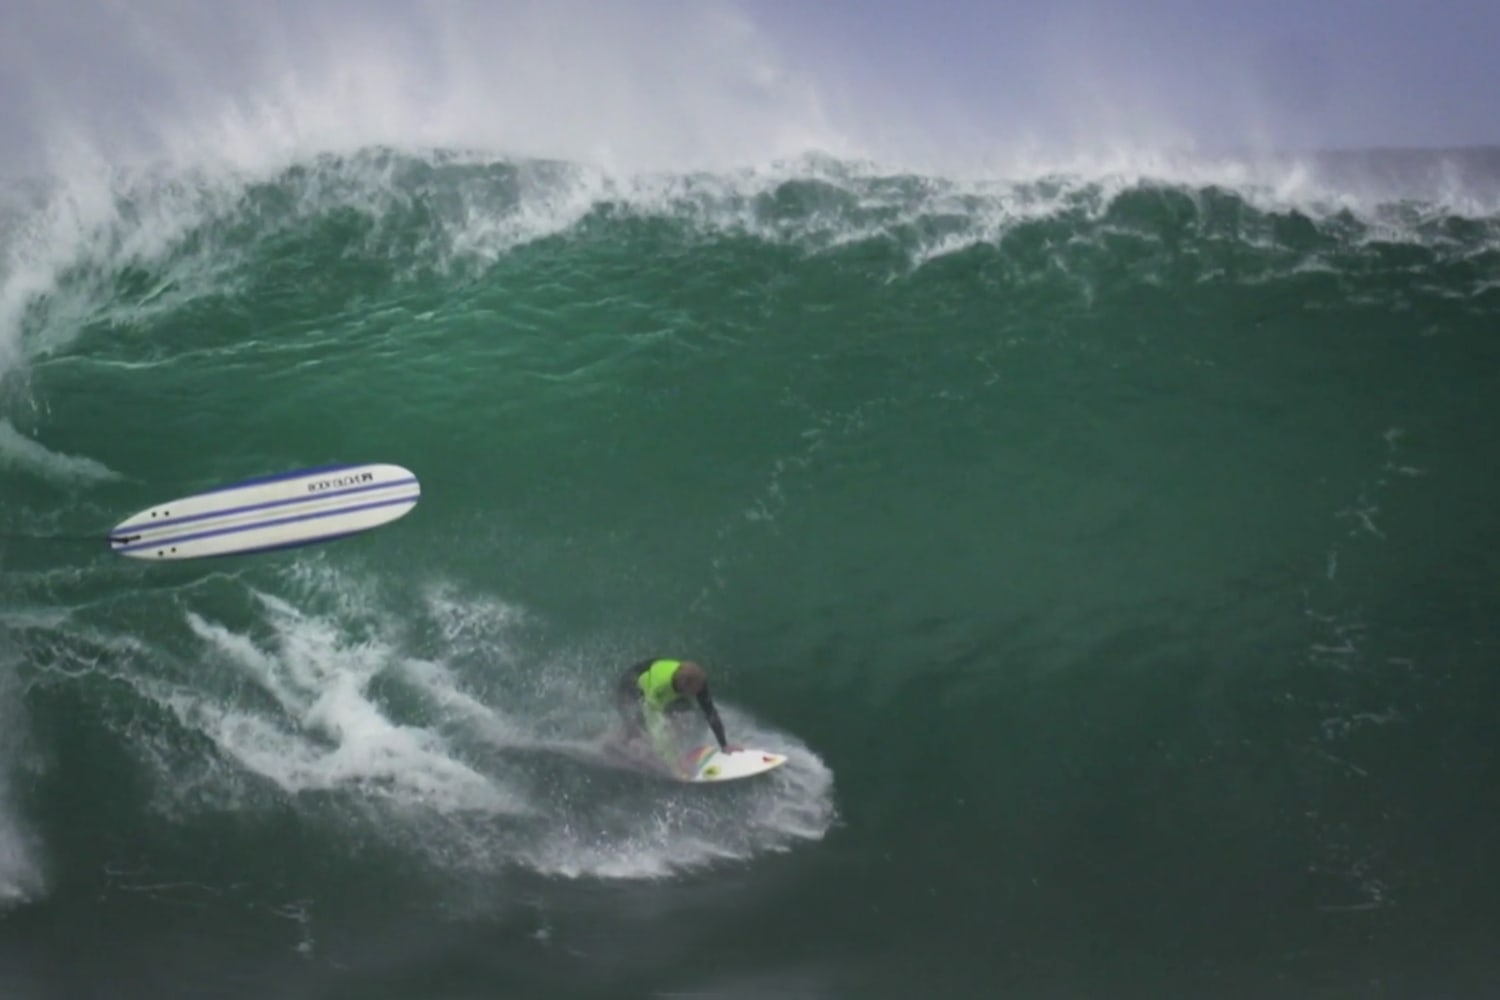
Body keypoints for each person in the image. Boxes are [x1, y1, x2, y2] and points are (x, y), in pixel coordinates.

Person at [614, 657, 741, 764]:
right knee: (643, 726)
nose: (699, 693)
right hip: (632, 684)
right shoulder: (659, 689)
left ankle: (670, 751)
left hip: (663, 677)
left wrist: (724, 745)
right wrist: (675, 763)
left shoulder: (697, 682)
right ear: (684, 685)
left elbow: (710, 712)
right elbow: (656, 726)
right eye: (696, 690)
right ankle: (626, 741)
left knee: (684, 715)